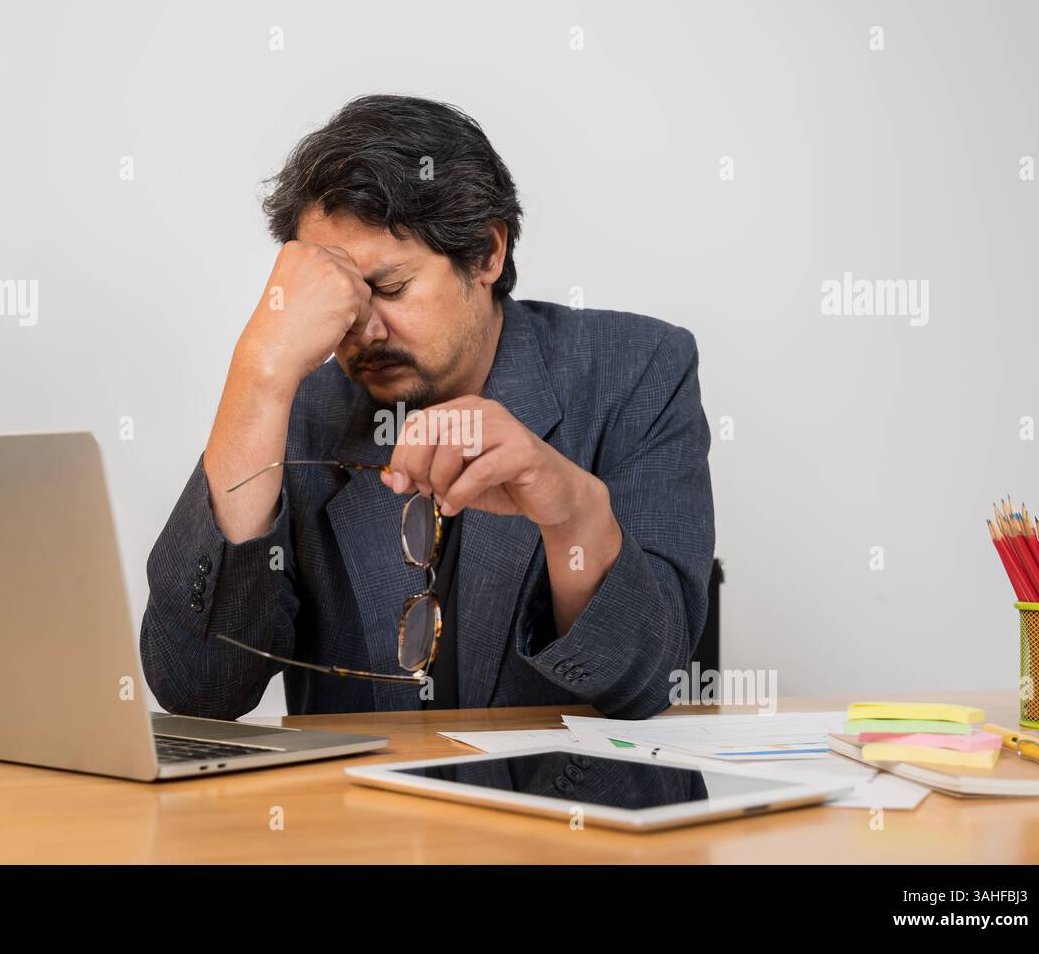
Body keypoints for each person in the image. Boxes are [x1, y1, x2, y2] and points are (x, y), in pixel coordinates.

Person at [140, 94, 714, 720]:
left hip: (567, 811)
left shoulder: (638, 369)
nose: (364, 330)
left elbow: (648, 683)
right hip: (367, 814)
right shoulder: (297, 407)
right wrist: (257, 374)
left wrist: (573, 514)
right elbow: (197, 689)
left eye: (390, 288)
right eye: (341, 298)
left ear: (487, 253)